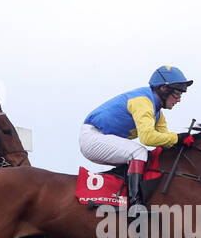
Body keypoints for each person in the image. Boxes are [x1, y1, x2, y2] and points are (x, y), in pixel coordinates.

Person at [79, 66, 194, 212]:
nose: (179, 99)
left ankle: (120, 194)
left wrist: (183, 143)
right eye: (177, 93)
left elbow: (165, 141)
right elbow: (148, 138)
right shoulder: (143, 102)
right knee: (139, 152)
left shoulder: (157, 113)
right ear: (164, 89)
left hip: (103, 138)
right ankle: (135, 203)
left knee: (146, 156)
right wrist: (177, 138)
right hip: (92, 138)